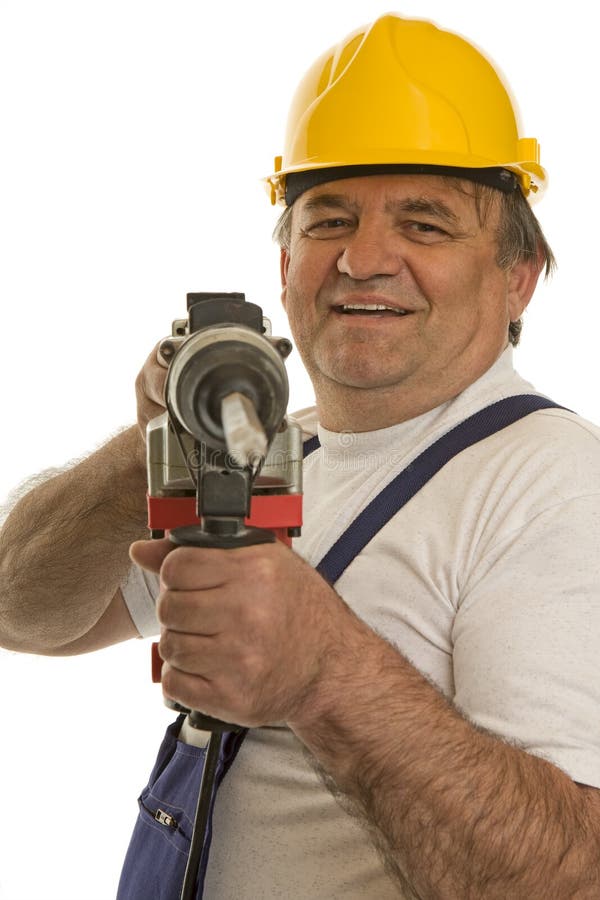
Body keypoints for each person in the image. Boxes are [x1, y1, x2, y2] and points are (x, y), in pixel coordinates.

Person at [1, 12, 599, 899]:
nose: (363, 258)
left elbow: (570, 876)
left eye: (426, 225)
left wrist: (326, 675)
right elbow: (21, 614)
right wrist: (149, 452)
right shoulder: (270, 448)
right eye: (329, 220)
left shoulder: (552, 485)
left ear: (519, 276)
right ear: (284, 265)